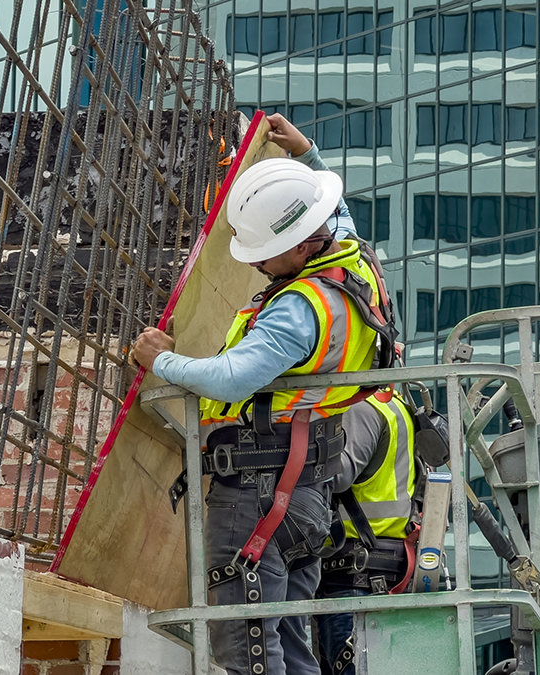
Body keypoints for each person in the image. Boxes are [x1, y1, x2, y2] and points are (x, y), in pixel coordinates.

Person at [131, 113, 388, 675]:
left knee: (246, 645)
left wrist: (161, 360)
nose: (251, 261)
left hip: (259, 490)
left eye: (263, 252)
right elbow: (338, 215)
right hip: (306, 492)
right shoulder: (353, 266)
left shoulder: (300, 310)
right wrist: (307, 156)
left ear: (299, 249)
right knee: (289, 640)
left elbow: (230, 379)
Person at [314, 389, 420, 675]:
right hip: (377, 572)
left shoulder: (361, 407)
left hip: (358, 576)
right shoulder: (395, 405)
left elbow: (336, 477)